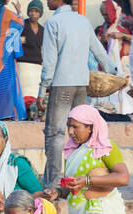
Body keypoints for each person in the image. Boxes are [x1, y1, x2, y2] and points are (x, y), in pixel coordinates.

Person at [40, 0, 116, 182]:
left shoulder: (53, 22)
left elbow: (50, 60)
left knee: (55, 134)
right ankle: (78, 174)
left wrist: (43, 88)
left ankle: (53, 181)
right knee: (81, 131)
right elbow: (98, 50)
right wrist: (112, 72)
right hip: (81, 84)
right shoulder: (83, 21)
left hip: (61, 83)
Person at [0, 0, 26, 121]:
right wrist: (19, 11)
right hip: (4, 58)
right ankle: (6, 116)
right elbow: (19, 24)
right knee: (6, 88)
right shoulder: (5, 13)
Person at [18, 0, 46, 108]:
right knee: (25, 94)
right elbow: (13, 39)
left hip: (37, 66)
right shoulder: (22, 25)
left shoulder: (43, 30)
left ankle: (33, 114)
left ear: (40, 13)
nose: (33, 13)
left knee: (35, 93)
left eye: (36, 11)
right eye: (31, 11)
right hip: (23, 64)